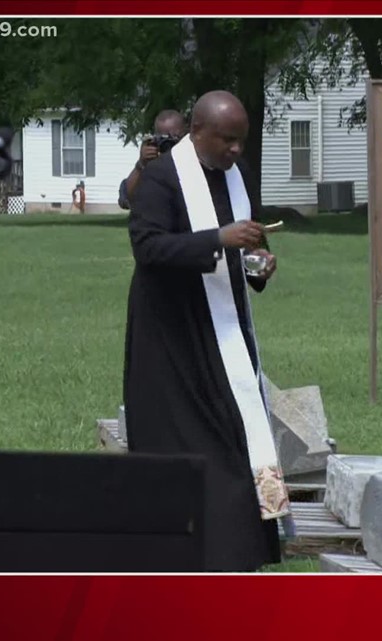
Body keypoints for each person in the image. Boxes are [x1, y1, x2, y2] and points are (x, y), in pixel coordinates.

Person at [122, 90, 287, 571]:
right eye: (227, 140)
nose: (236, 151)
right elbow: (148, 249)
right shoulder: (161, 180)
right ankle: (178, 556)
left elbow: (251, 243)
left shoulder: (238, 177)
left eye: (241, 141)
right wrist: (218, 239)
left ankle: (238, 556)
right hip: (171, 338)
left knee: (237, 443)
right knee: (184, 452)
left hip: (225, 335)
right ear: (197, 132)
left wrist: (259, 265)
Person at [118, 109, 188, 210]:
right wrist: (141, 164)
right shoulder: (151, 169)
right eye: (164, 138)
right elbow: (126, 200)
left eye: (174, 138)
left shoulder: (195, 164)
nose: (169, 144)